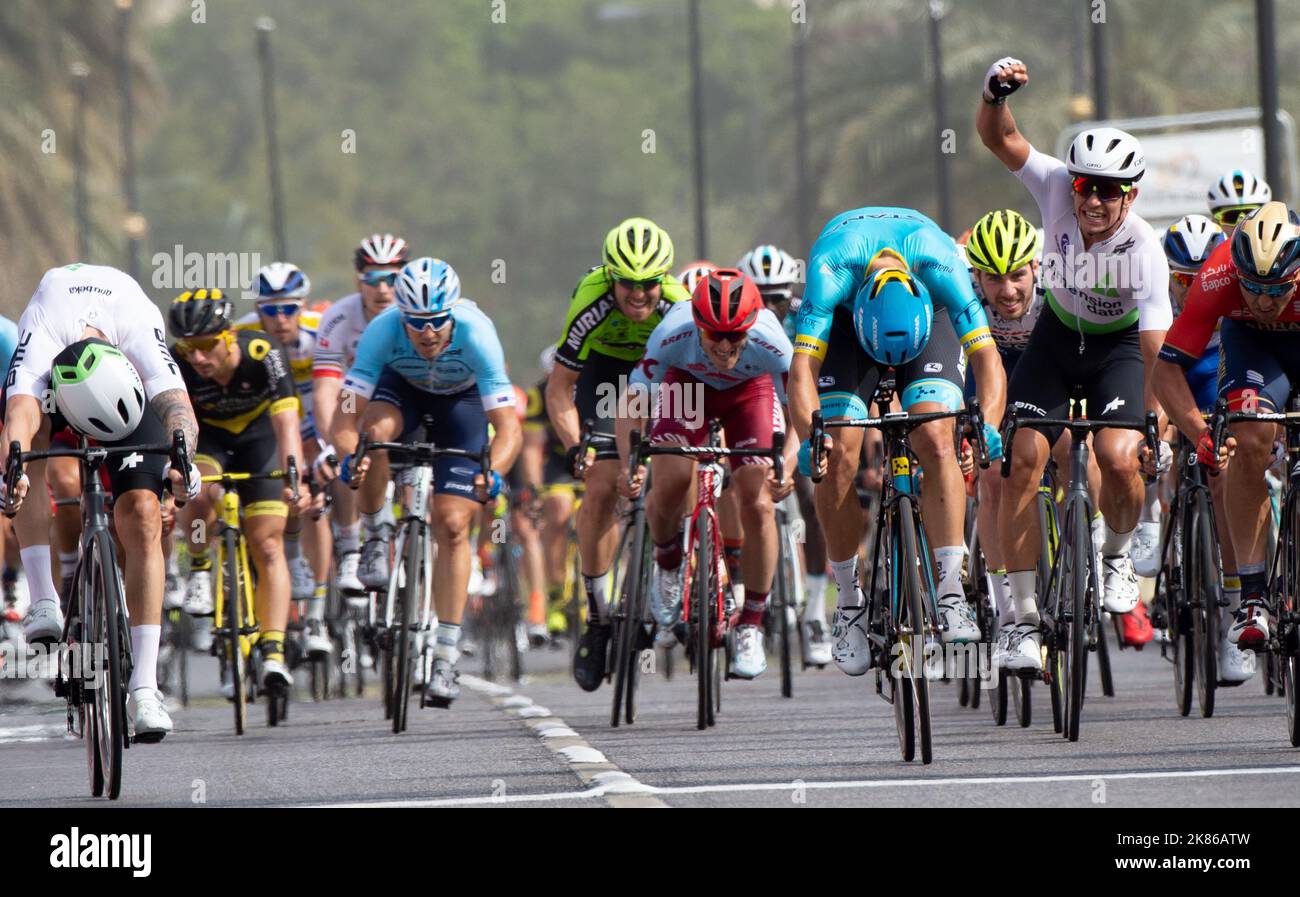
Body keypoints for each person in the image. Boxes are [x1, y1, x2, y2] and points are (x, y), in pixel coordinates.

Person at [976, 57, 1171, 669]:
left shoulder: (1144, 250)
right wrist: (994, 93)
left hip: (1116, 351)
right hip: (1056, 341)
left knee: (1118, 459)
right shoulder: (1057, 184)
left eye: (1109, 190)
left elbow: (1154, 349)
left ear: (1130, 194)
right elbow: (1000, 138)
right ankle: (1023, 622)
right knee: (1023, 462)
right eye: (1087, 186)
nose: (1092, 199)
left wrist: (1157, 423)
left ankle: (1115, 555)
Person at [786, 207, 1006, 676]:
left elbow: (987, 358)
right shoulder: (830, 271)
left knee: (938, 438)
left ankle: (950, 593)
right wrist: (811, 437)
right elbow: (801, 370)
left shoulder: (943, 264)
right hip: (846, 327)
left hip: (929, 324)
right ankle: (848, 602)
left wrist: (986, 423)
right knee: (839, 452)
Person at [2, 264, 201, 741]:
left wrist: (182, 461)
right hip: (56, 388)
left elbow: (177, 408)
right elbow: (19, 413)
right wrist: (12, 466)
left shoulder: (136, 321)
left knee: (143, 514)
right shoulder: (45, 325)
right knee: (25, 461)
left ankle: (145, 688)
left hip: (122, 400)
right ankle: (43, 601)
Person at [328, 257, 522, 707]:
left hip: (463, 403)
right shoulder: (382, 332)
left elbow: (508, 428)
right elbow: (345, 415)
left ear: (452, 313)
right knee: (372, 438)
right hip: (403, 393)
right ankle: (376, 534)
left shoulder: (478, 334)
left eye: (436, 321)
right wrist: (348, 455)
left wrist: (493, 472)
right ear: (402, 316)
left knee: (453, 525)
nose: (428, 332)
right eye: (416, 323)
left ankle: (446, 657)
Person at [618, 268, 798, 679]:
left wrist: (786, 465)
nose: (723, 344)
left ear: (751, 327)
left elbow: (801, 415)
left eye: (735, 335)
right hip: (688, 387)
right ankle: (667, 564)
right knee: (671, 482)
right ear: (697, 325)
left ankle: (750, 624)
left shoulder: (774, 345)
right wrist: (632, 462)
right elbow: (632, 402)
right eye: (713, 334)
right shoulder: (671, 334)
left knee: (758, 502)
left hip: (749, 392)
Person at [545, 218, 690, 690]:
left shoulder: (678, 304)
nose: (639, 295)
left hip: (665, 373)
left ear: (662, 279)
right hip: (604, 373)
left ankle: (683, 582)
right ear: (611, 277)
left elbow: (705, 381)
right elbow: (560, 388)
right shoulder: (591, 298)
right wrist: (574, 448)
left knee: (681, 472)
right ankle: (598, 616)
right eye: (628, 283)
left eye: (649, 284)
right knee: (603, 484)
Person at [1154, 202, 1300, 654]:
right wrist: (1200, 433)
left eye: (1277, 289)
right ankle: (1253, 597)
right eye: (1252, 287)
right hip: (1253, 349)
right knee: (1249, 436)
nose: (1263, 301)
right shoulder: (1218, 277)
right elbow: (1166, 371)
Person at [169, 288, 311, 697]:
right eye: (189, 348)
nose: (198, 358)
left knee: (267, 545)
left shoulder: (264, 353)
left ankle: (273, 648)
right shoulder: (179, 363)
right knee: (196, 490)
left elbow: (287, 423)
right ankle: (199, 568)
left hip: (259, 439)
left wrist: (293, 477)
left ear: (230, 334)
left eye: (207, 346)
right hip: (210, 440)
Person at [737, 243, 832, 665]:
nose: (772, 306)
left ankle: (814, 610)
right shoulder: (736, 319)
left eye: (779, 296)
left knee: (814, 494)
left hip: (801, 398)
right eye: (763, 296)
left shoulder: (805, 313)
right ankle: (738, 586)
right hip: (755, 402)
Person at [234, 262, 332, 656]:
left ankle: (318, 614)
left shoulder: (322, 330)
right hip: (271, 421)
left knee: (316, 505)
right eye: (269, 310)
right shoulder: (240, 335)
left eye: (288, 308)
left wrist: (328, 448)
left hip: (312, 418)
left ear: (302, 306)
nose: (279, 319)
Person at [313, 233, 409, 592]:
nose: (383, 289)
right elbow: (326, 392)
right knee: (348, 451)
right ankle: (354, 545)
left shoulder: (415, 313)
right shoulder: (339, 318)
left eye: (393, 278)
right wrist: (330, 445)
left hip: (407, 400)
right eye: (373, 278)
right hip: (358, 400)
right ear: (358, 281)